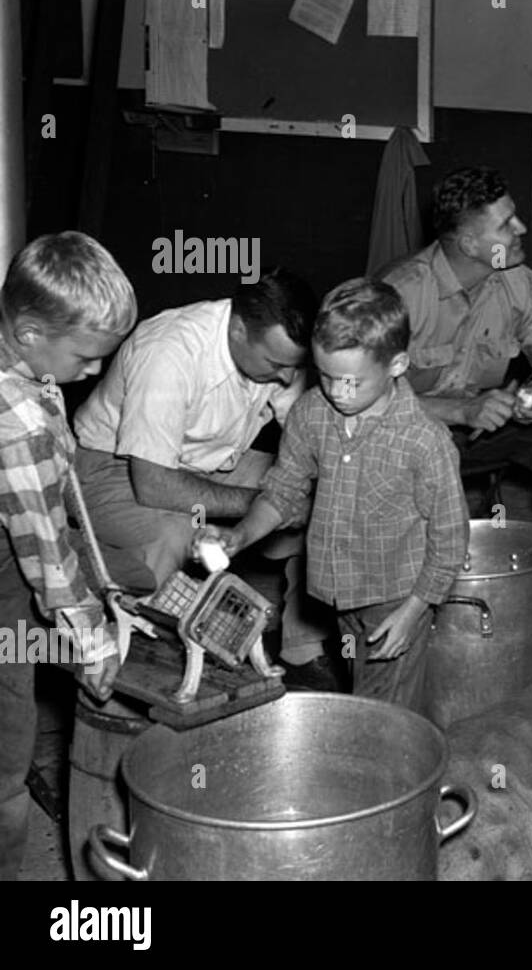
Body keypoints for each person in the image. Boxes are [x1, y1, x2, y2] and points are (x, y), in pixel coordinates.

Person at [199, 280, 468, 717]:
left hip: (397, 596)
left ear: (397, 364)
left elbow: (450, 536)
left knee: (384, 716)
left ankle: (395, 775)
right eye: (324, 375)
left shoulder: (424, 441)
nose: (335, 392)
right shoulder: (310, 414)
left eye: (350, 382)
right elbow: (283, 489)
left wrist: (416, 609)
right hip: (339, 593)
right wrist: (241, 534)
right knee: (362, 692)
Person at [72, 269, 336, 686]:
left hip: (209, 459)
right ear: (237, 329)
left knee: (321, 496)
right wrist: (267, 504)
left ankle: (302, 651)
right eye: (276, 364)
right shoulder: (170, 351)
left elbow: (309, 441)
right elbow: (154, 483)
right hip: (113, 466)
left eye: (295, 366)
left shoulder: (278, 353)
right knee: (175, 532)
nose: (287, 378)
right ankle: (154, 661)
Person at [1, 232, 137, 879]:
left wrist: (102, 586)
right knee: (6, 761)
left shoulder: (27, 371)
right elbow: (48, 558)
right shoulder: (19, 421)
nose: (93, 374)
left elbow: (67, 508)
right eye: (86, 358)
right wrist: (92, 643)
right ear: (30, 331)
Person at [379, 166, 532, 544]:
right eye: (505, 225)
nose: (521, 228)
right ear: (469, 245)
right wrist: (459, 411)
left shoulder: (522, 284)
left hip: (482, 430)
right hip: (409, 437)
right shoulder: (399, 294)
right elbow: (363, 403)